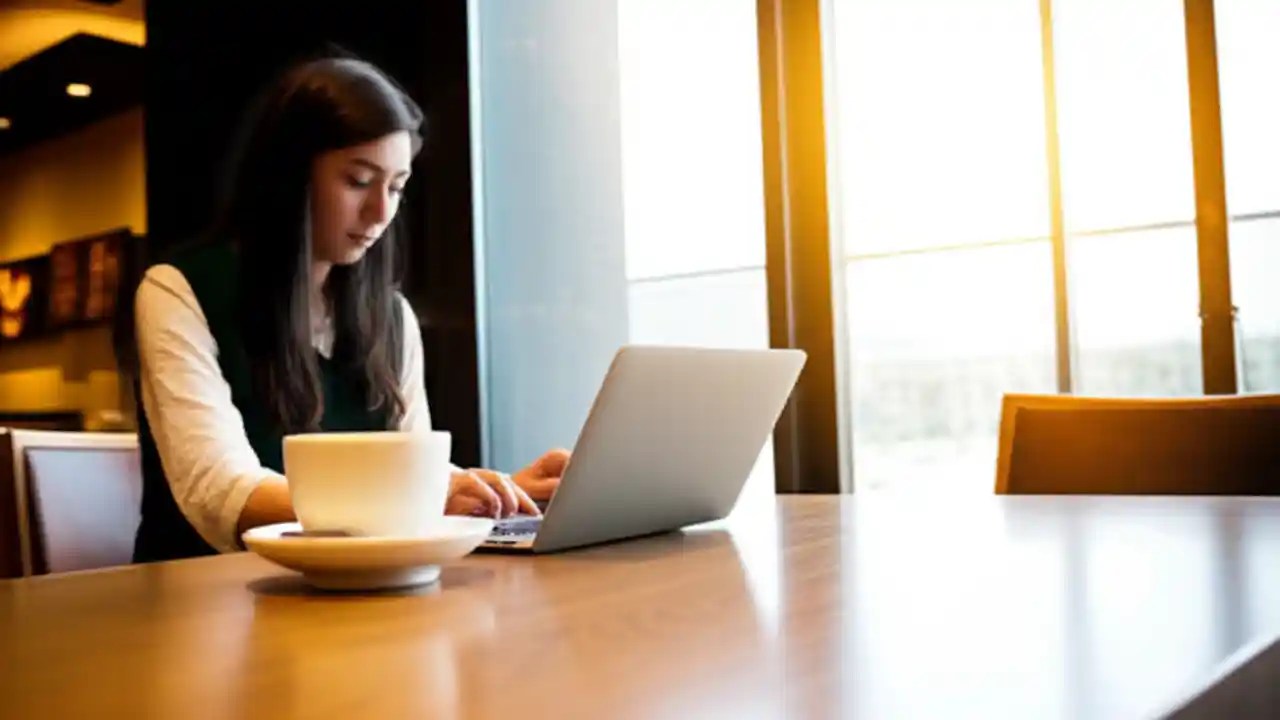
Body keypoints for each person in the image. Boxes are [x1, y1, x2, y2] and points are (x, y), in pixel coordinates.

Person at [131, 56, 567, 562]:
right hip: (199, 606)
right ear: (290, 175)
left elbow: (410, 469)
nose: (381, 213)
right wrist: (424, 496)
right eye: (359, 181)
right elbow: (220, 493)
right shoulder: (179, 292)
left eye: (397, 187)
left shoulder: (392, 318)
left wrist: (499, 491)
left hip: (359, 600)